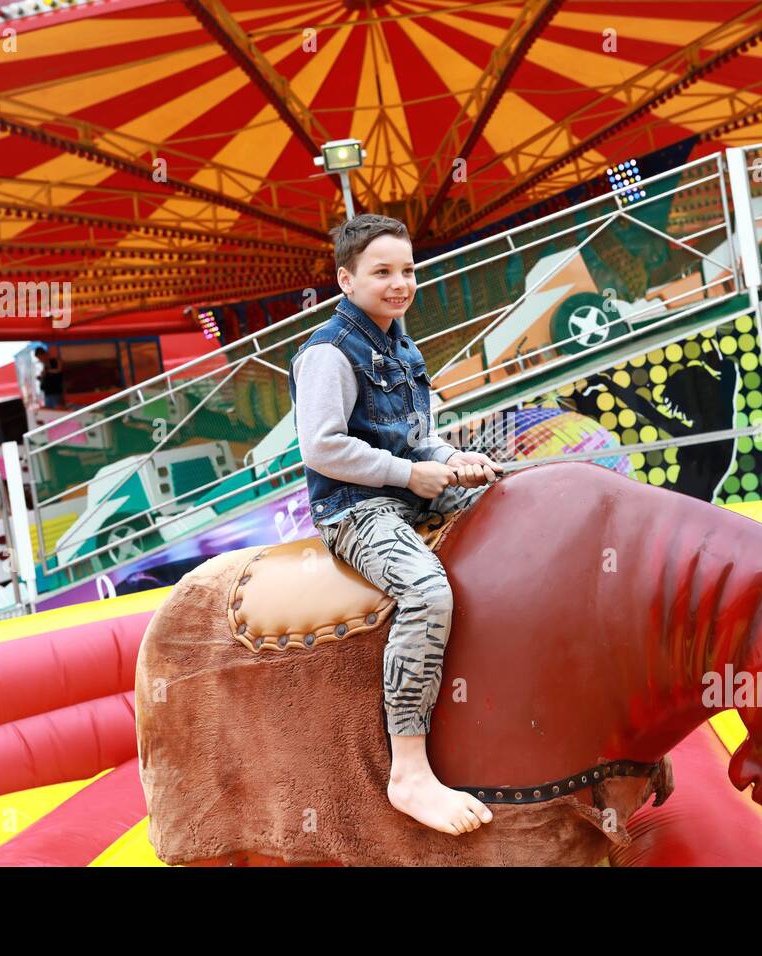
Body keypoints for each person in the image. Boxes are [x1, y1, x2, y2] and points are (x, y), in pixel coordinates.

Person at [289, 213, 503, 836]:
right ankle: (408, 769)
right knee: (427, 590)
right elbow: (321, 448)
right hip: (357, 511)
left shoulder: (403, 345)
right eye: (382, 272)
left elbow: (419, 439)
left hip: (412, 493)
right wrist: (410, 476)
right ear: (346, 280)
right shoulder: (327, 353)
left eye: (407, 270)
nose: (400, 283)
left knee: (508, 517)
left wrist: (450, 460)